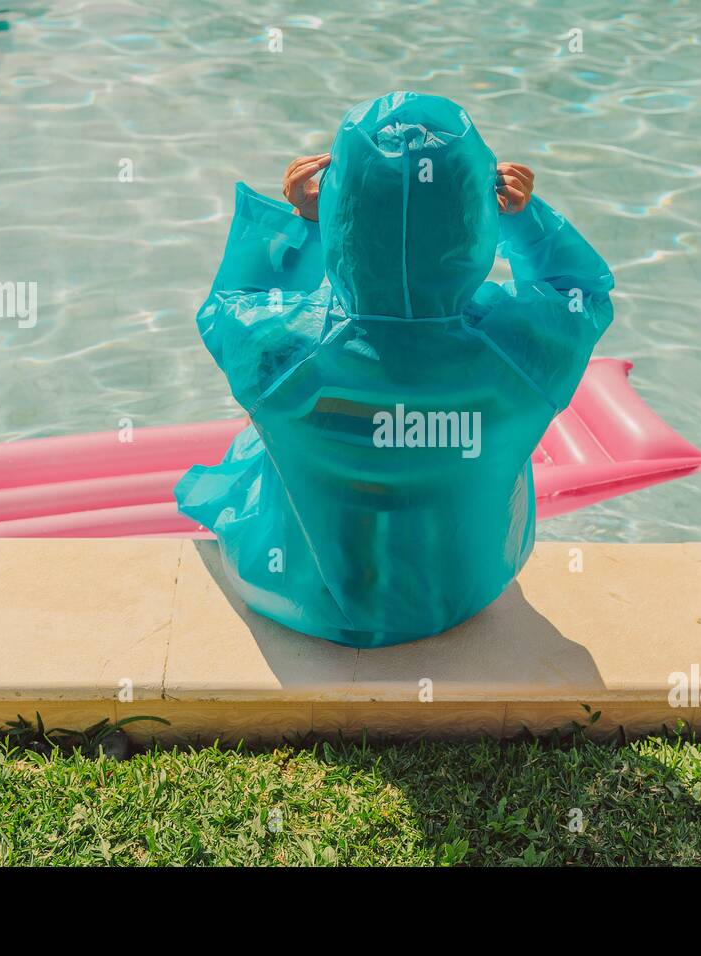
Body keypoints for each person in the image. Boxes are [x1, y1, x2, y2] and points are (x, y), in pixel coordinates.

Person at [175, 91, 613, 647]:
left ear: (343, 211)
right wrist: (528, 224)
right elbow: (583, 295)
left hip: (298, 593)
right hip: (465, 592)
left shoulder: (288, 344)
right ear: (476, 219)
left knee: (263, 420)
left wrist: (301, 225)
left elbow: (232, 302)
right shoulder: (518, 344)